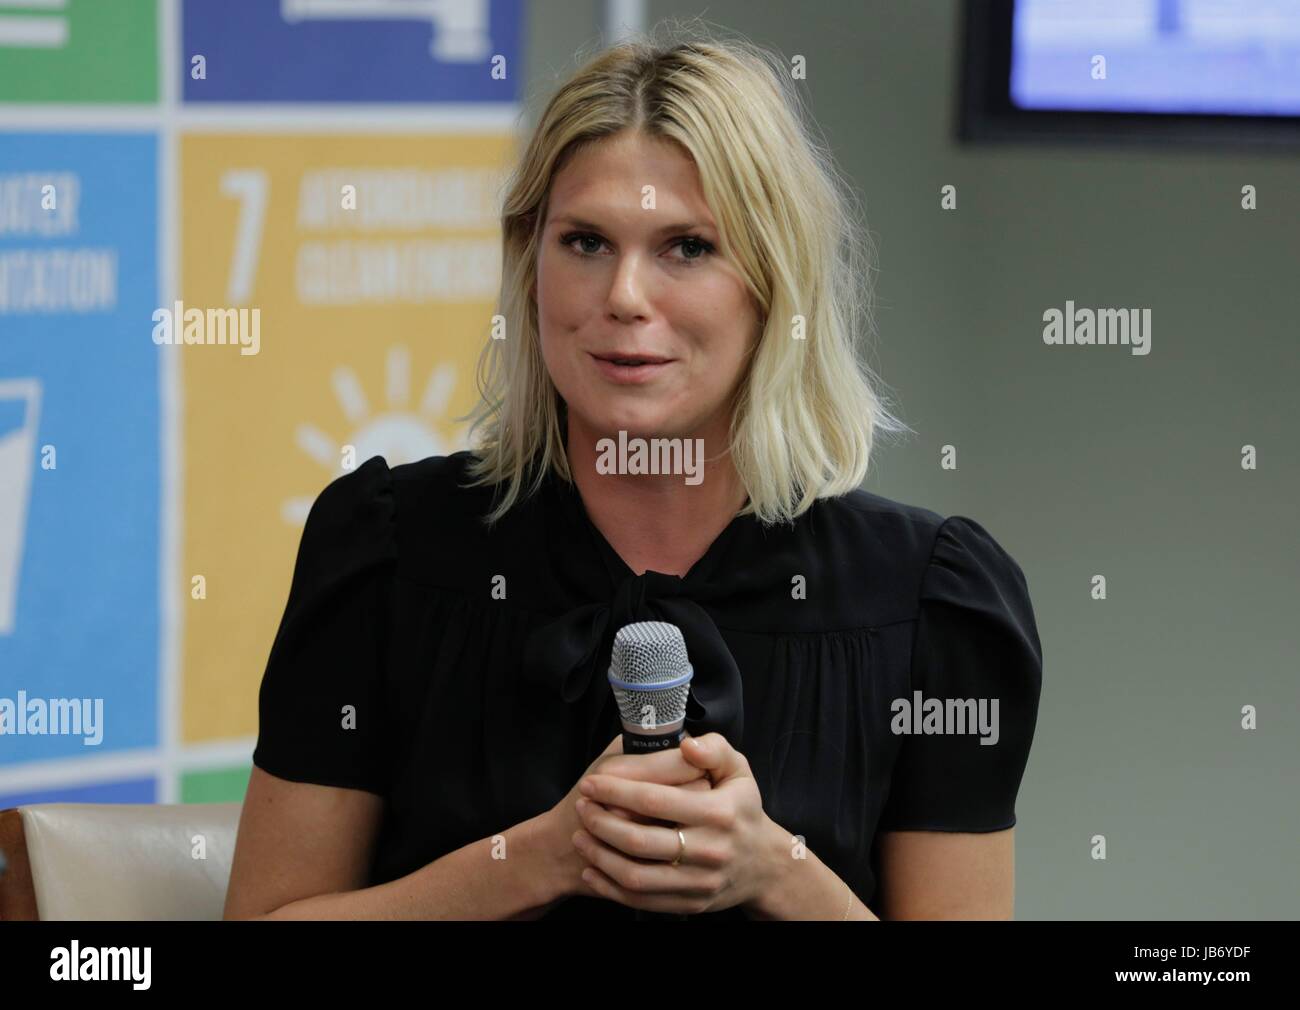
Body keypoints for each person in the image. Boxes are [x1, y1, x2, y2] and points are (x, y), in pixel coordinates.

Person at [223, 22, 1042, 921]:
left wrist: (777, 872)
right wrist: (535, 859)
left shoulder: (932, 602)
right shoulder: (387, 549)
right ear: (528, 262)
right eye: (585, 242)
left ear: (775, 282)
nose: (623, 297)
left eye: (687, 247)